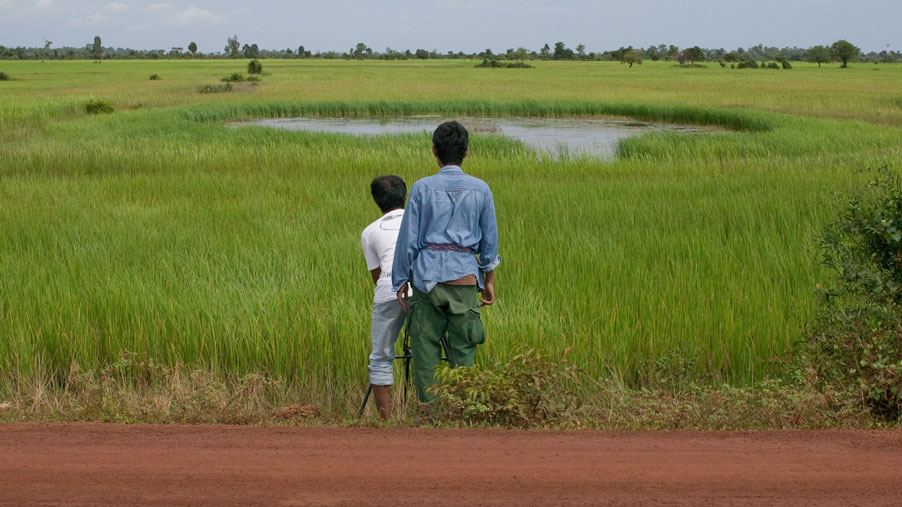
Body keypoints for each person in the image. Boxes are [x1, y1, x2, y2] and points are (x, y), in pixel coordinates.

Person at [391, 120, 501, 403]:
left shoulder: (421, 188)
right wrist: (488, 280)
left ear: (434, 151)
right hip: (465, 278)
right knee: (464, 348)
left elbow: (408, 240)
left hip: (427, 279)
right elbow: (489, 241)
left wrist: (401, 280)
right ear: (465, 152)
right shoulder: (481, 189)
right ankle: (463, 409)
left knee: (425, 349)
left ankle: (431, 413)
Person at [361, 175, 409, 419]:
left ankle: (384, 420)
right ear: (406, 196)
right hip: (422, 290)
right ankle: (431, 414)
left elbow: (377, 275)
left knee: (381, 356)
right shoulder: (420, 222)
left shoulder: (369, 232)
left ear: (376, 202)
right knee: (428, 350)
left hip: (387, 292)